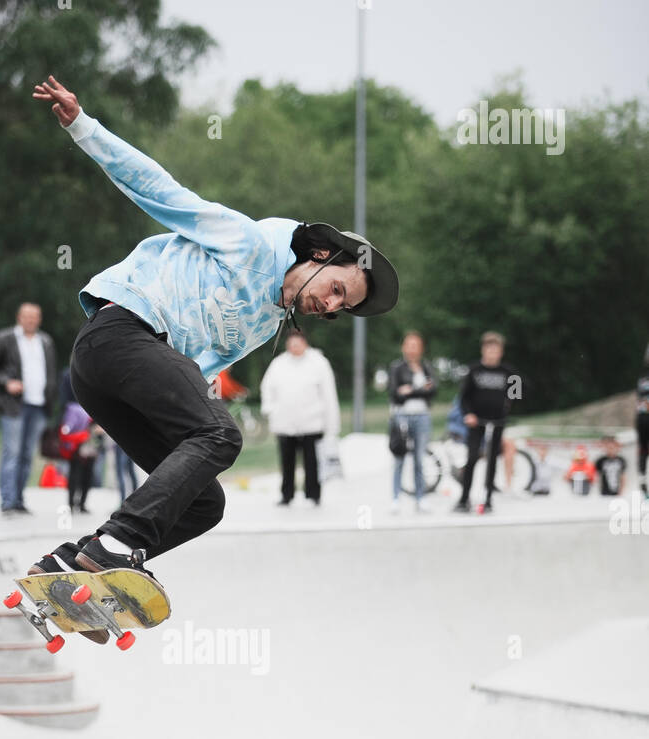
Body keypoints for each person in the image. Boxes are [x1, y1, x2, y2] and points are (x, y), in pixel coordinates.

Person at [25, 75, 398, 618]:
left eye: (342, 308)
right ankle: (115, 547)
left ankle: (76, 564)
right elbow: (159, 189)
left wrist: (191, 396)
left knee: (204, 502)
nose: (332, 306)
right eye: (337, 288)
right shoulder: (245, 241)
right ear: (319, 254)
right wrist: (84, 126)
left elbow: (197, 371)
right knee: (220, 432)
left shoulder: (267, 324)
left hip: (124, 376)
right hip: (120, 332)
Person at [0, 303, 57, 516]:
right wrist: (6, 382)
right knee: (12, 453)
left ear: (39, 319)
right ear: (19, 317)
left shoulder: (46, 341)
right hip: (14, 406)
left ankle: (18, 499)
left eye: (35, 317)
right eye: (27, 316)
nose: (31, 320)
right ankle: (7, 501)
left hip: (39, 405)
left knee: (26, 455)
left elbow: (50, 372)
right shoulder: (4, 338)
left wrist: (50, 398)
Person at [260, 329, 339, 507]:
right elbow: (267, 387)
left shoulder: (319, 363)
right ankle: (286, 494)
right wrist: (271, 409)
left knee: (312, 462)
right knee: (287, 462)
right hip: (285, 422)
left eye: (298, 343)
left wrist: (331, 423)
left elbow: (328, 395)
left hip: (312, 422)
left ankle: (313, 494)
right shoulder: (278, 364)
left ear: (305, 343)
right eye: (291, 344)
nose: (295, 347)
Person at [453, 332, 521, 514]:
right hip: (477, 423)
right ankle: (464, 498)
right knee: (473, 457)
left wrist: (509, 407)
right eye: (489, 348)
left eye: (495, 349)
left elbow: (519, 392)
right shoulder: (474, 370)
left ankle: (488, 498)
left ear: (501, 352)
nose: (492, 352)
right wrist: (469, 415)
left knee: (492, 460)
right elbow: (464, 397)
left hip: (497, 423)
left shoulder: (507, 372)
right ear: (483, 350)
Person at [386, 331, 436, 514]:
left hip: (422, 416)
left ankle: (421, 497)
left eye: (416, 345)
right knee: (399, 459)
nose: (412, 349)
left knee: (419, 460)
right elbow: (395, 394)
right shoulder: (397, 367)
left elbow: (433, 390)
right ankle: (395, 498)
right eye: (409, 345)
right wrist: (420, 389)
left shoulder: (426, 366)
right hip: (402, 417)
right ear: (403, 347)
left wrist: (411, 390)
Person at [635, 351, 649, 497]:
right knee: (643, 449)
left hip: (641, 417)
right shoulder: (643, 379)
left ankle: (642, 479)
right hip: (644, 417)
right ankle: (643, 480)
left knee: (643, 449)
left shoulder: (642, 379)